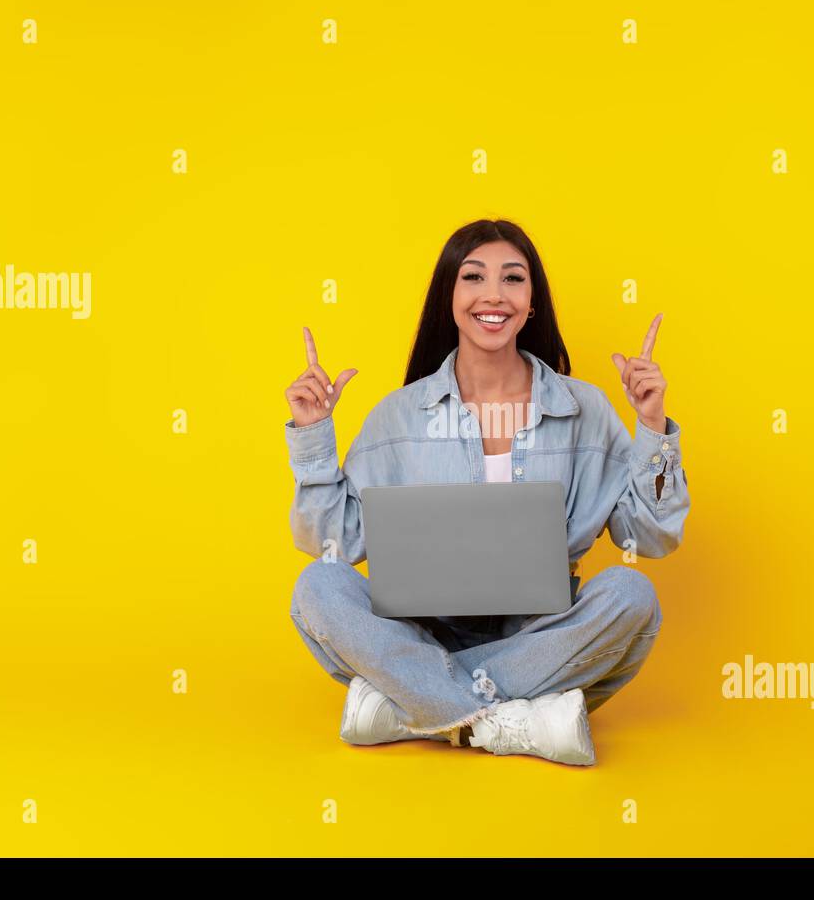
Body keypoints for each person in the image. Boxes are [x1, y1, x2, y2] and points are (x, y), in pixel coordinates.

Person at [284, 218, 689, 765]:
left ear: (532, 302)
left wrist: (654, 428)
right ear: (448, 298)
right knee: (318, 586)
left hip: (541, 634)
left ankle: (416, 705)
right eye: (473, 277)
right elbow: (330, 541)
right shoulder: (400, 415)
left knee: (632, 594)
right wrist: (312, 435)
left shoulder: (584, 410)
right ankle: (507, 723)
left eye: (513, 279)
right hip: (417, 631)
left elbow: (652, 536)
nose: (493, 295)